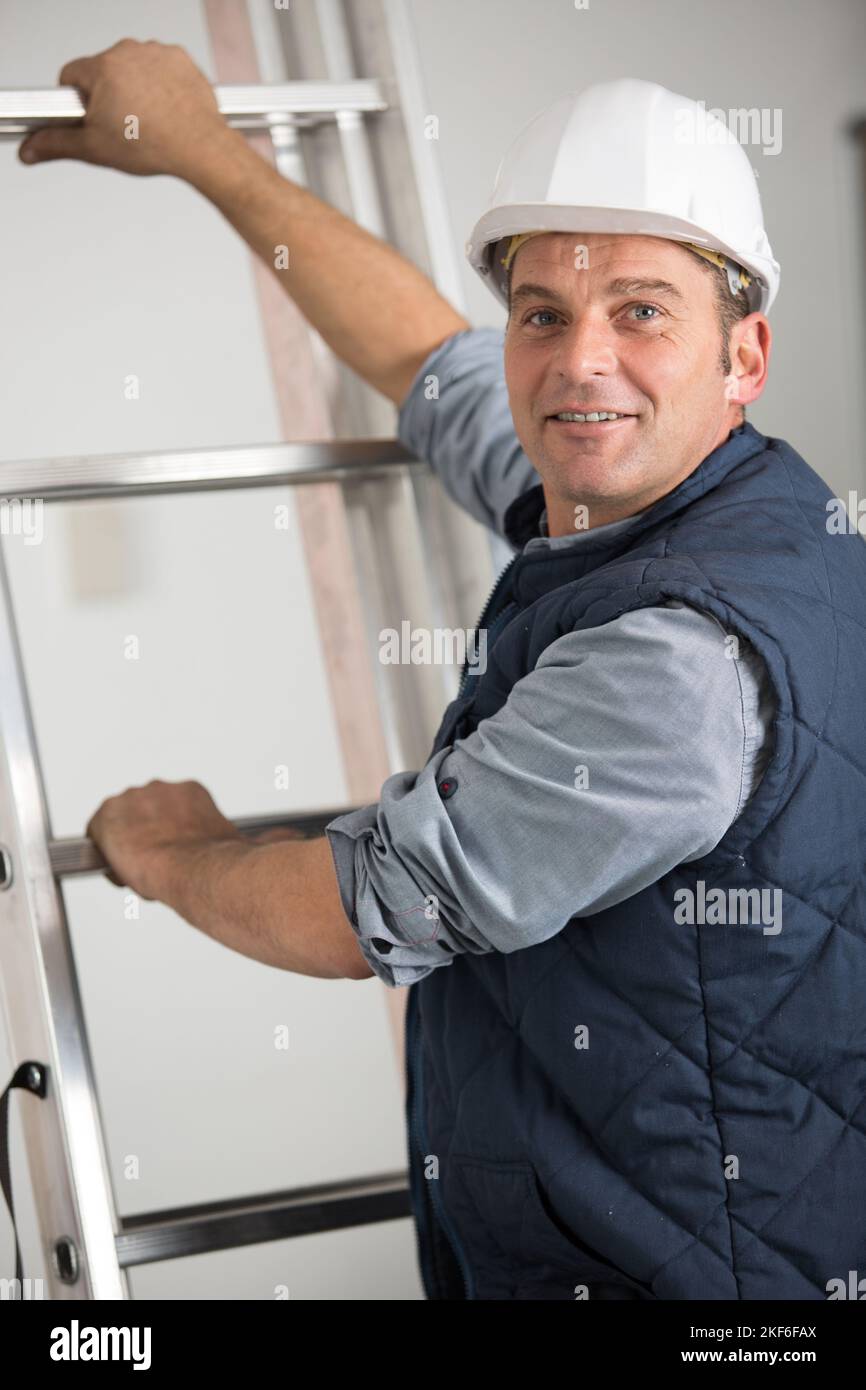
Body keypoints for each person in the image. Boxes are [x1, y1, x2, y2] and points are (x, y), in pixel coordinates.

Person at [20, 43, 866, 1301]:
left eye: (640, 310)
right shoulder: (676, 504)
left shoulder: (677, 663)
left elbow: (369, 908)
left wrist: (169, 854)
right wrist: (201, 150)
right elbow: (426, 360)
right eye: (542, 314)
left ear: (740, 356)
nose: (579, 359)